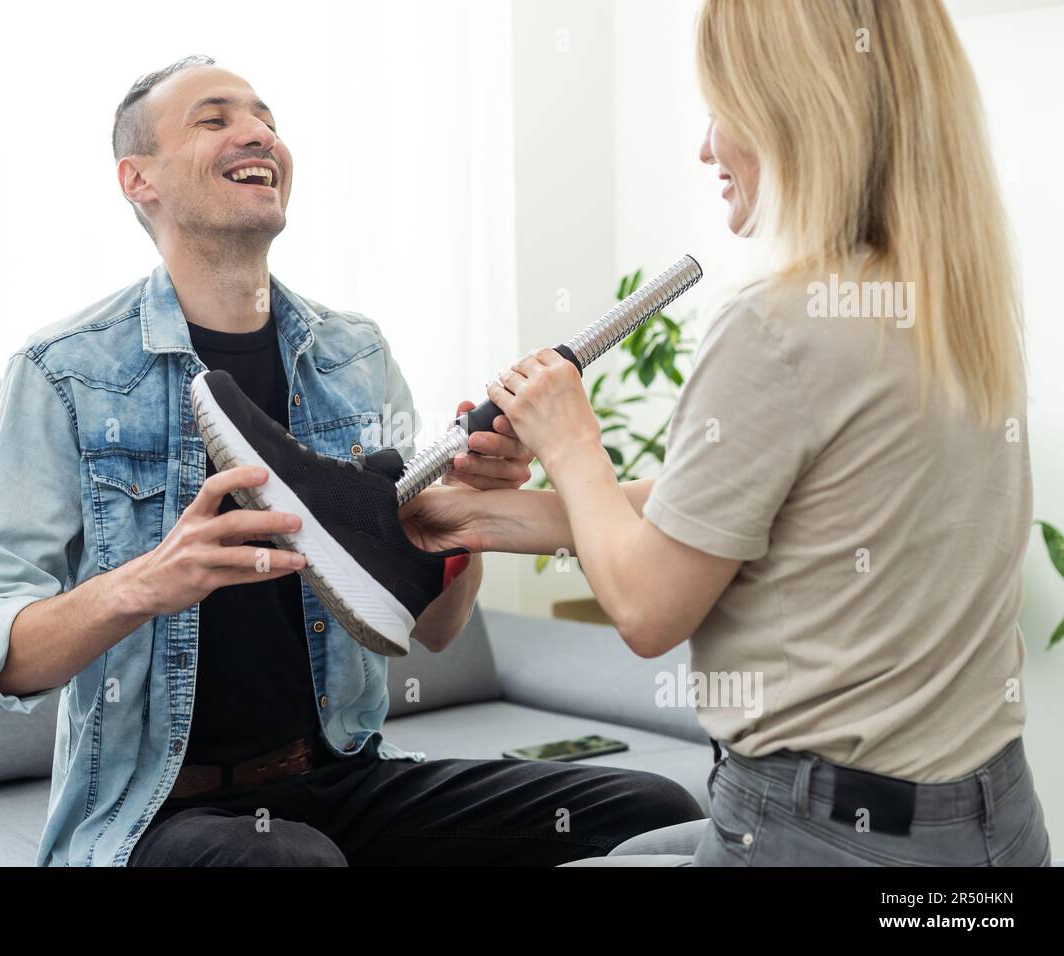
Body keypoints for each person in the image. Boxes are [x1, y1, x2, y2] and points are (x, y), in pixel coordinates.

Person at [0, 55, 703, 867]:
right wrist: (145, 584)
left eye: (265, 117)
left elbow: (436, 631)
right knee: (292, 862)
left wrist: (466, 524)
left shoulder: (353, 354)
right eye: (214, 118)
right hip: (152, 815)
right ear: (139, 180)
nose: (257, 132)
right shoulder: (65, 372)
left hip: (344, 781)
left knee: (650, 810)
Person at [401, 0, 1051, 866]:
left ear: (794, 108)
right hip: (992, 823)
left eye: (720, 110)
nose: (705, 147)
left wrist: (570, 437)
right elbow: (706, 515)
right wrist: (477, 520)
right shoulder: (949, 301)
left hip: (821, 834)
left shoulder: (775, 325)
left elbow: (648, 610)